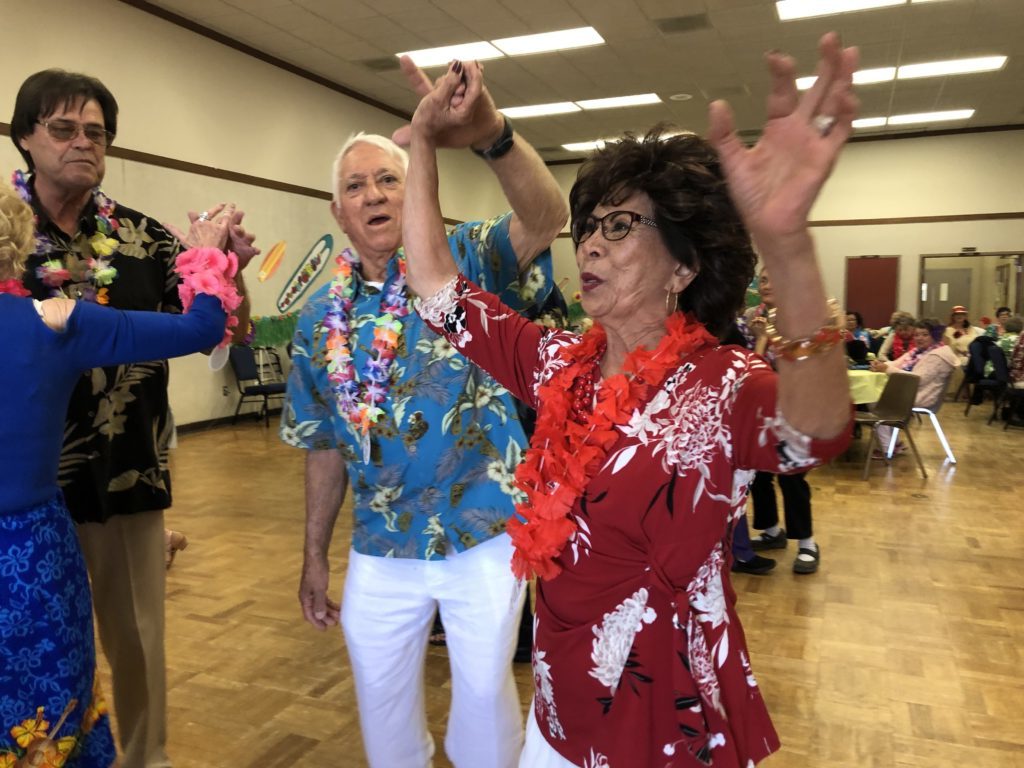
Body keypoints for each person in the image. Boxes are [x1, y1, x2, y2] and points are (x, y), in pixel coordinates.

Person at [402, 33, 856, 768]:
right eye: (588, 228)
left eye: (621, 226)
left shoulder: (722, 382)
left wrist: (788, 245)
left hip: (667, 727)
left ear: (683, 264)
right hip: (555, 713)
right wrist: (422, 140)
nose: (589, 246)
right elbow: (434, 288)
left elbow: (816, 434)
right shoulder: (557, 365)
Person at [280, 56, 567, 767]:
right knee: (382, 717)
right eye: (357, 185)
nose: (374, 195)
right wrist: (314, 555)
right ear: (337, 212)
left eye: (389, 179)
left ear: (416, 193)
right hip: (381, 545)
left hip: (486, 534)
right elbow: (324, 445)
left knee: (483, 704)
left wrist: (492, 134)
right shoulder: (320, 322)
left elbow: (547, 216)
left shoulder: (468, 257)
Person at [9, 68, 258, 768]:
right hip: (24, 495)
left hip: (127, 470)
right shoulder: (3, 238)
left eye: (96, 132)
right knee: (35, 647)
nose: (82, 143)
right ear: (25, 136)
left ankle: (144, 758)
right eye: (63, 128)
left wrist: (231, 270)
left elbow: (220, 332)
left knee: (139, 639)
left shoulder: (144, 238)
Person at [744, 270, 823, 574]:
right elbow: (747, 365)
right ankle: (771, 531)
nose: (768, 284)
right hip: (760, 408)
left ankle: (807, 543)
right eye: (763, 279)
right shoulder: (752, 316)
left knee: (793, 475)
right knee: (759, 474)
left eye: (774, 278)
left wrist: (765, 340)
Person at [869, 318, 960, 454]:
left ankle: (887, 447)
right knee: (874, 396)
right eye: (917, 334)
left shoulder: (938, 356)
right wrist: (881, 365)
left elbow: (917, 379)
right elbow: (896, 364)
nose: (919, 338)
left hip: (921, 397)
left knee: (874, 400)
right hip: (909, 392)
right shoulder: (918, 352)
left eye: (925, 334)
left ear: (935, 335)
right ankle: (893, 443)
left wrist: (886, 369)